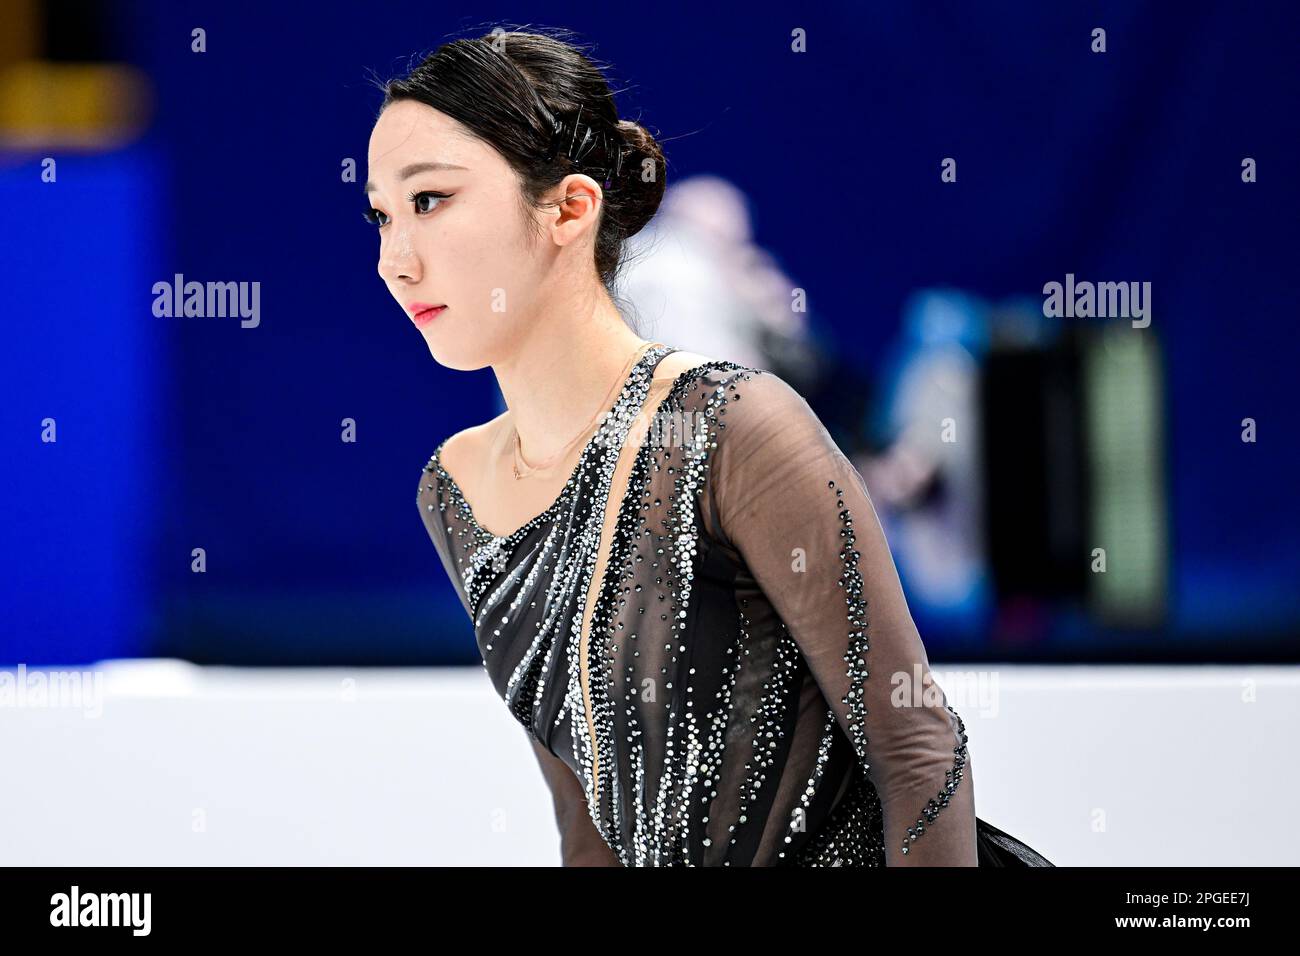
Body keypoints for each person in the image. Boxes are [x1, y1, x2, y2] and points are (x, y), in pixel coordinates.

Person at [365, 27, 1052, 867]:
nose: (395, 260)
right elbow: (590, 829)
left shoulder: (732, 427)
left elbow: (919, 758)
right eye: (382, 217)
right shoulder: (457, 489)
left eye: (429, 200)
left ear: (570, 209)